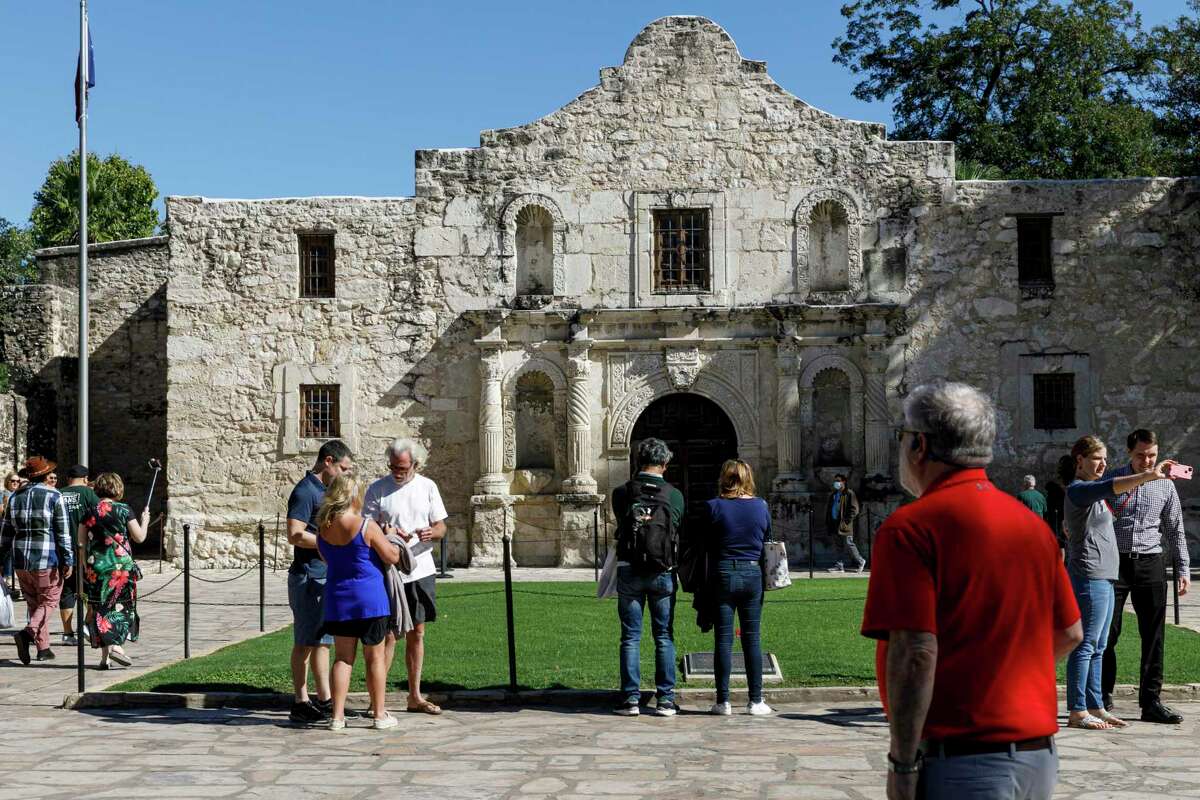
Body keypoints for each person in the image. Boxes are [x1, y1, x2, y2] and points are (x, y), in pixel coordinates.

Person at [862, 382, 1083, 800]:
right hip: (1037, 756)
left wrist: (902, 764)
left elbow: (915, 652)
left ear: (919, 445)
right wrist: (1001, 676)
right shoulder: (1032, 526)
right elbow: (1070, 632)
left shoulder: (912, 528)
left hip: (964, 759)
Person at [1058, 435, 1179, 731]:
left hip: (1105, 577)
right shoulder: (1080, 489)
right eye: (1096, 458)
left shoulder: (1093, 494)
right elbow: (1111, 486)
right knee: (1086, 646)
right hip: (1090, 576)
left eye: (1104, 459)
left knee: (1099, 646)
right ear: (1080, 461)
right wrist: (1151, 474)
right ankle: (1077, 709)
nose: (1102, 464)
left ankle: (1096, 705)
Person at [1100, 429, 1192, 724]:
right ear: (1129, 453)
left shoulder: (1166, 486)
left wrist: (1183, 569)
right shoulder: (1113, 479)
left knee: (1154, 636)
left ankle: (1151, 701)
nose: (1146, 460)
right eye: (1140, 455)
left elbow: (1175, 529)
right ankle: (1103, 695)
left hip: (1151, 562)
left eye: (1152, 455)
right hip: (1115, 564)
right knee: (1107, 632)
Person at [364, 439, 448, 716]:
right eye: (393, 467)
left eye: (402, 468)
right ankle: (378, 701)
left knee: (417, 633)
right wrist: (386, 531)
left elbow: (441, 526)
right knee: (388, 635)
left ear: (415, 465)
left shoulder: (428, 487)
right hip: (389, 570)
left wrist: (429, 533)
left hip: (420, 568)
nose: (397, 472)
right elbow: (367, 527)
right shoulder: (378, 489)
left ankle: (414, 695)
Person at [316, 473, 402, 731]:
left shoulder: (323, 528)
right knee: (374, 657)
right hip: (369, 600)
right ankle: (379, 714)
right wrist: (392, 536)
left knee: (343, 658)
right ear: (355, 496)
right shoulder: (366, 526)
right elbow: (392, 556)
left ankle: (337, 716)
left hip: (338, 599)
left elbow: (326, 559)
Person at [609, 437, 685, 717]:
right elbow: (676, 526)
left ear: (638, 460)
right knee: (663, 635)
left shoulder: (621, 492)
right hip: (662, 570)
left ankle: (630, 699)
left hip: (630, 568)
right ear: (665, 464)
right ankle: (665, 700)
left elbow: (621, 522)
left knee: (630, 636)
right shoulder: (674, 495)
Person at [286, 439, 354, 725]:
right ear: (328, 462)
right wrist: (329, 545)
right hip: (307, 575)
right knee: (305, 641)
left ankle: (325, 699)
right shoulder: (305, 492)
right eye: (343, 468)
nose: (345, 474)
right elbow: (294, 533)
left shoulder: (326, 491)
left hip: (324, 575)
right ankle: (301, 700)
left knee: (323, 641)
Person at [705, 459, 772, 716]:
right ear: (747, 478)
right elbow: (767, 538)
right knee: (751, 638)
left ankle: (723, 701)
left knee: (723, 639)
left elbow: (707, 543)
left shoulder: (713, 507)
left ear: (724, 478)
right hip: (752, 571)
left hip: (723, 571)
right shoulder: (760, 507)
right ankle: (756, 700)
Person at [0, 456, 74, 664]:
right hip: (46, 558)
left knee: (35, 603)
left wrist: (1, 557)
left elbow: (5, 531)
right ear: (44, 475)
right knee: (50, 599)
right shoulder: (54, 495)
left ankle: (43, 648)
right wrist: (68, 559)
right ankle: (27, 633)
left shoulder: (15, 497)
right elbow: (63, 531)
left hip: (20, 560)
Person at [83, 472, 149, 668]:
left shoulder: (90, 510)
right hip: (121, 566)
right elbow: (139, 537)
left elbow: (80, 542)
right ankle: (117, 647)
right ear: (117, 488)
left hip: (96, 566)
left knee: (101, 608)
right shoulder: (124, 509)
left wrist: (85, 566)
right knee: (122, 607)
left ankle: (105, 658)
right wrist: (145, 520)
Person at [58, 465, 98, 647]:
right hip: (85, 550)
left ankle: (67, 633)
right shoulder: (88, 494)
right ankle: (86, 625)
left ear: (68, 478)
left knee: (66, 591)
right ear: (85, 478)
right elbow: (100, 514)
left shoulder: (58, 493)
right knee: (91, 589)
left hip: (61, 550)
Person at [825, 473, 864, 573]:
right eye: (835, 481)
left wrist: (846, 521)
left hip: (845, 524)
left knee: (849, 543)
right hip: (835, 523)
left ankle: (861, 561)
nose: (836, 483)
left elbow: (854, 509)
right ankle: (839, 566)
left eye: (838, 480)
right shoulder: (834, 494)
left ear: (844, 482)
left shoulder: (849, 493)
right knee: (838, 545)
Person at [1, 471, 19, 599]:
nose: (15, 483)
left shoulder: (19, 494)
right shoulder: (4, 494)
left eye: (17, 481)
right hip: (5, 527)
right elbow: (2, 511)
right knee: (7, 553)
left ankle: (12, 580)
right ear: (7, 482)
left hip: (17, 527)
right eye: (13, 481)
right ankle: (8, 579)